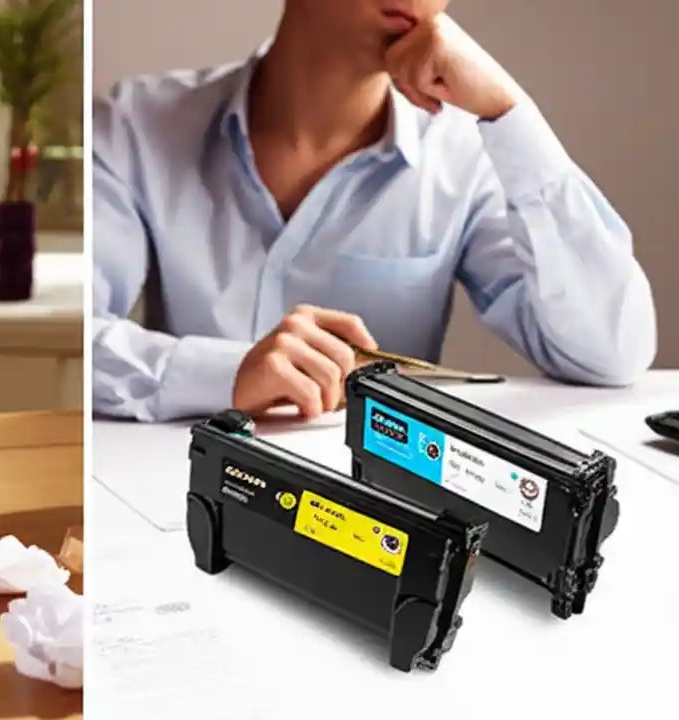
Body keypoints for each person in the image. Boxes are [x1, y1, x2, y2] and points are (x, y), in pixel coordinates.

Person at [91, 0, 656, 423]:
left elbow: (609, 354)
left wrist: (509, 112)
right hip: (166, 505)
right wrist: (226, 375)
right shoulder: (136, 125)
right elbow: (74, 339)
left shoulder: (467, 157)